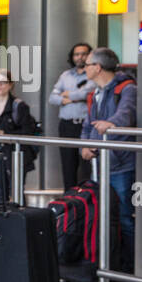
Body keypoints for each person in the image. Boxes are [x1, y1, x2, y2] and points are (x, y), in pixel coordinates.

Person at [80, 47, 137, 274]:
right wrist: (84, 144)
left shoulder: (126, 88)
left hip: (122, 165)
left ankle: (131, 267)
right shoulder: (95, 93)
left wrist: (110, 125)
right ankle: (109, 263)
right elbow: (88, 124)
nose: (84, 68)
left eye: (87, 64)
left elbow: (126, 115)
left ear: (98, 67)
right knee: (104, 216)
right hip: (101, 164)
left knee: (124, 215)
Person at [0, 68, 37, 205]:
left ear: (10, 85)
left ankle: (19, 222)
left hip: (15, 155)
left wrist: (5, 134)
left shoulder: (19, 106)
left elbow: (27, 131)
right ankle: (3, 223)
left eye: (3, 82)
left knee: (16, 192)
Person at [50, 42, 95, 188]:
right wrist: (74, 97)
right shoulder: (65, 75)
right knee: (68, 165)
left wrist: (68, 94)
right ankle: (68, 202)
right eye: (76, 54)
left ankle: (86, 200)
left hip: (85, 126)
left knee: (87, 166)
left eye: (83, 54)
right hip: (67, 125)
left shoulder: (93, 74)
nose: (80, 57)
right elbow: (53, 97)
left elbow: (87, 93)